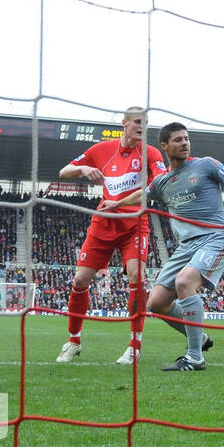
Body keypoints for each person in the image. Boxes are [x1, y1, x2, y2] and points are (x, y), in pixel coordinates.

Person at [100, 122, 224, 371]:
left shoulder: (206, 165)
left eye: (187, 139)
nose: (185, 143)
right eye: (178, 140)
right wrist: (116, 204)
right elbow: (142, 194)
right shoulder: (162, 182)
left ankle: (195, 357)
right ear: (165, 146)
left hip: (215, 237)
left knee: (184, 283)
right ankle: (200, 337)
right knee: (156, 303)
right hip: (185, 246)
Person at [55, 107, 167, 365]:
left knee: (137, 275)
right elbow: (64, 171)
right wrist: (83, 170)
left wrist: (121, 202)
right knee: (80, 280)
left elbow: (159, 183)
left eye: (146, 123)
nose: (142, 127)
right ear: (125, 123)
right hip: (103, 223)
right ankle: (73, 341)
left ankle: (134, 345)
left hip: (134, 224)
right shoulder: (102, 150)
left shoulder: (150, 153)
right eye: (138, 122)